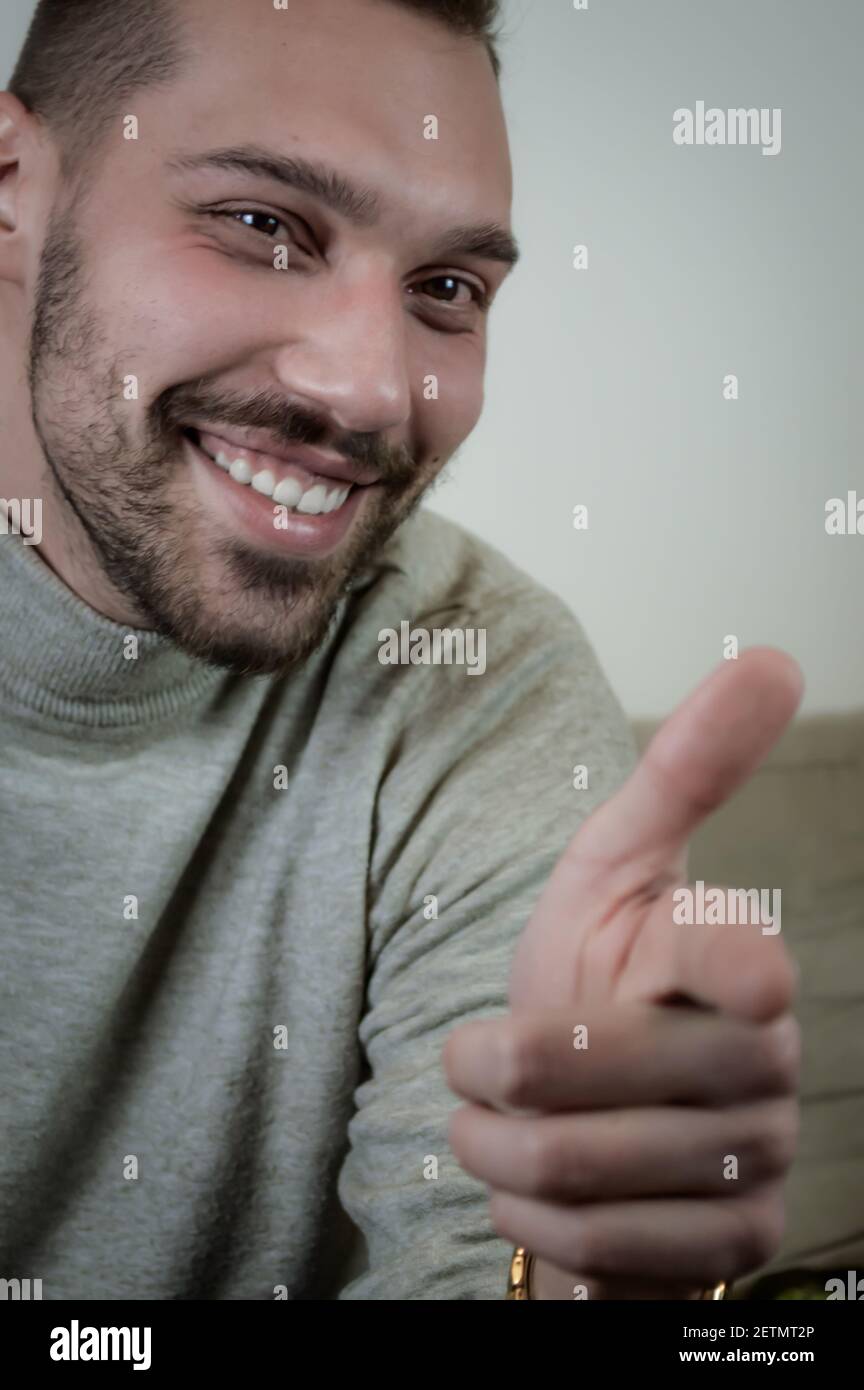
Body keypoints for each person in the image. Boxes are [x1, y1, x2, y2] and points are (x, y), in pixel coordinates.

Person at [0, 0, 800, 1300]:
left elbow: (499, 1263)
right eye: (264, 225)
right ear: (12, 191)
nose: (373, 388)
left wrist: (588, 1274)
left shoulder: (481, 680)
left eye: (447, 290)